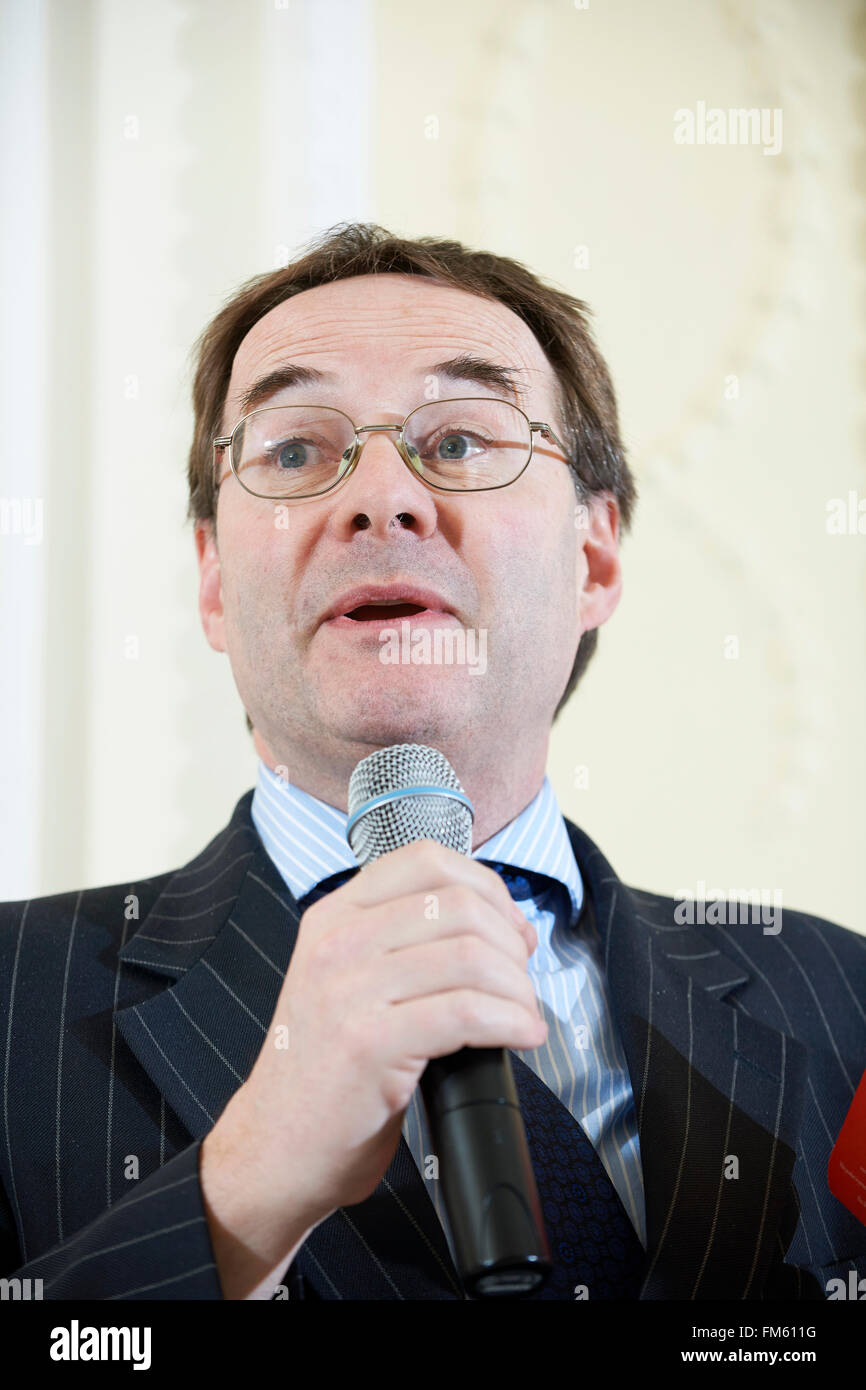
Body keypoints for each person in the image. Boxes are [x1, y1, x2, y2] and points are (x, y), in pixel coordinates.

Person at [1, 223, 864, 1302]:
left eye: (459, 442)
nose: (379, 497)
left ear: (592, 557)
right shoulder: (9, 1000)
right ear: (214, 580)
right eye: (295, 450)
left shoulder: (844, 998)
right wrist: (243, 1189)